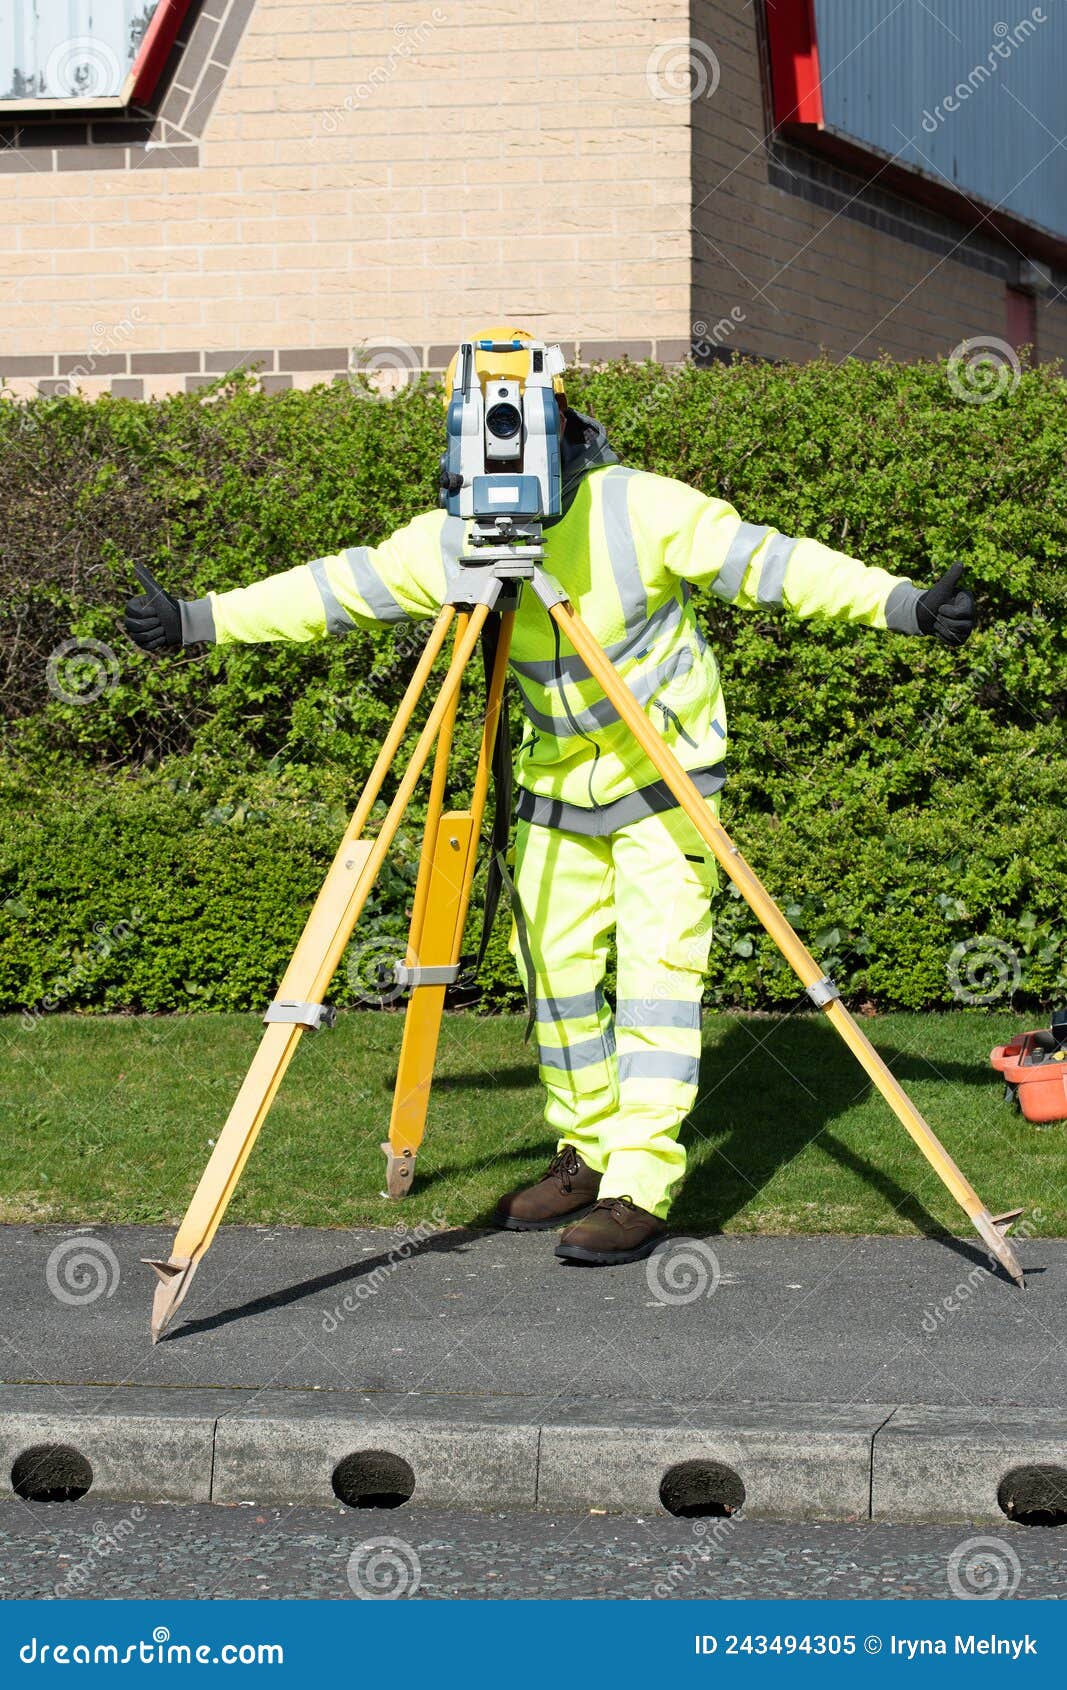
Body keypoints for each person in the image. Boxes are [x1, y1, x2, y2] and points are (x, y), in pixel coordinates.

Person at [124, 326, 975, 1266]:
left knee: (657, 983)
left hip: (666, 785)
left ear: (559, 416)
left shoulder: (636, 508)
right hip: (555, 792)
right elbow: (340, 586)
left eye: (518, 422)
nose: (502, 443)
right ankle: (585, 1151)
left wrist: (900, 604)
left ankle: (640, 1186)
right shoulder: (457, 541)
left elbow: (773, 564)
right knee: (559, 984)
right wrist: (199, 621)